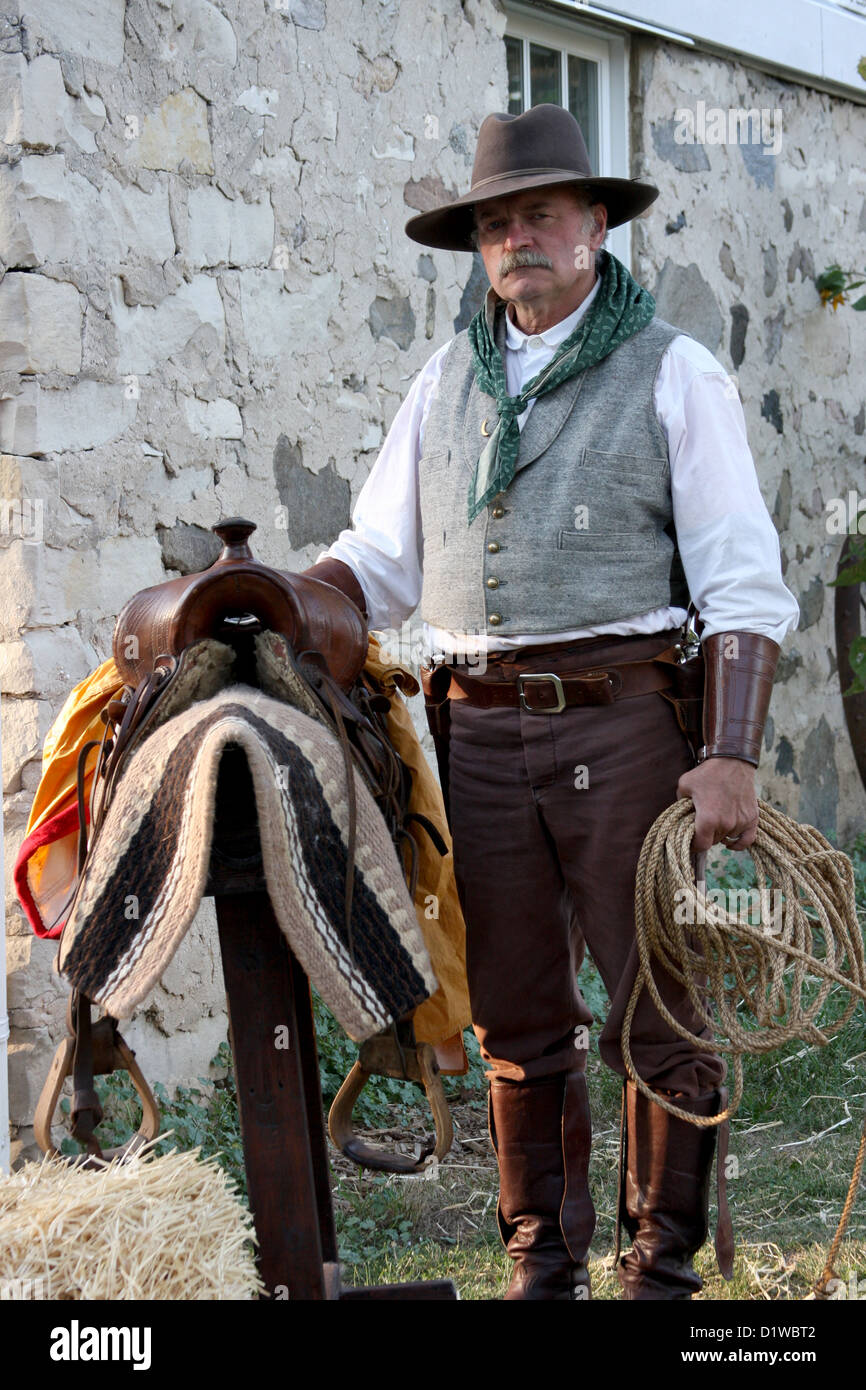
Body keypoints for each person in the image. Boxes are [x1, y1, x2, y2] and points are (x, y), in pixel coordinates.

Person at [305, 104, 799, 1300]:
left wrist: (726, 753)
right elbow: (378, 559)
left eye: (537, 215)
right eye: (493, 223)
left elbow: (740, 577)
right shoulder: (444, 381)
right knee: (516, 1016)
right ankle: (541, 1265)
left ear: (592, 226)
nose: (514, 239)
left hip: (626, 723)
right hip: (472, 731)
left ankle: (661, 1275)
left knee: (655, 1004)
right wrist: (290, 599)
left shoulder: (674, 370)